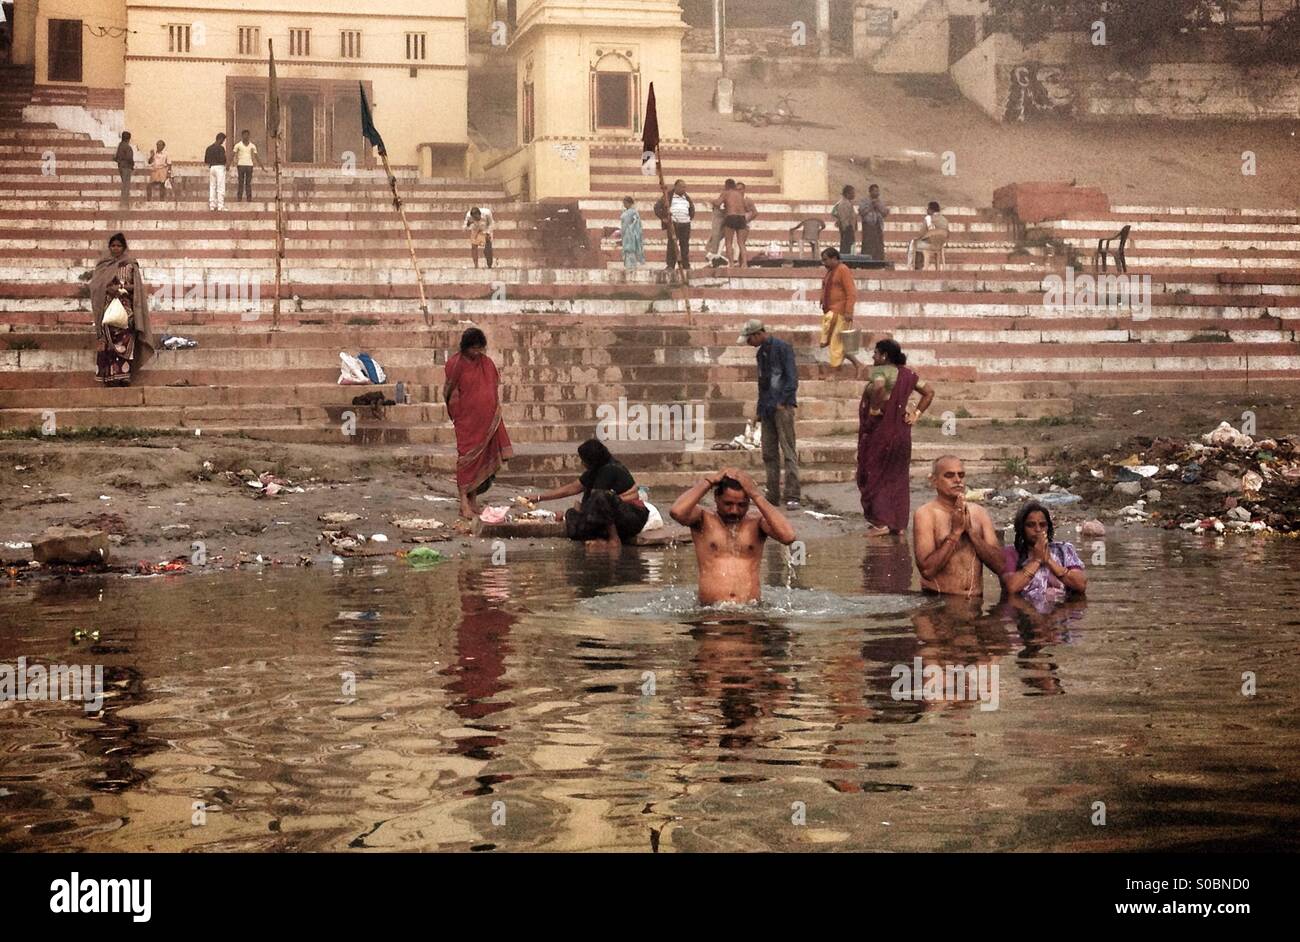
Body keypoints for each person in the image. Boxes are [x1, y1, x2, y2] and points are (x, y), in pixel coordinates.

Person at [669, 467, 797, 605]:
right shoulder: (703, 519)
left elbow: (788, 536)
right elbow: (677, 512)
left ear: (749, 502)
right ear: (716, 498)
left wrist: (756, 495)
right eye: (728, 504)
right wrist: (709, 481)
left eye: (741, 505)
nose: (734, 511)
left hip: (751, 611)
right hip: (709, 611)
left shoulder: (757, 523)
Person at [857, 339, 934, 536]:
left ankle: (880, 523)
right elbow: (929, 392)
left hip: (881, 434)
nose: (873, 356)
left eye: (876, 353)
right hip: (901, 434)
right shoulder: (908, 374)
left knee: (875, 476)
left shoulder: (881, 372)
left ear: (884, 356)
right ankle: (898, 525)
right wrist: (916, 414)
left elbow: (879, 387)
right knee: (898, 478)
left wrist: (874, 409)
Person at [522, 439, 650, 547]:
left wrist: (581, 509)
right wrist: (539, 498)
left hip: (632, 517)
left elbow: (597, 500)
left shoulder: (610, 469)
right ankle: (601, 537)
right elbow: (572, 488)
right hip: (612, 515)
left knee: (598, 498)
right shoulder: (596, 470)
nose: (582, 463)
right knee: (571, 516)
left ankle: (613, 539)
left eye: (583, 460)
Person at [443, 327, 513, 519]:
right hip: (466, 422)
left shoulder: (487, 363)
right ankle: (463, 503)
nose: (476, 352)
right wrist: (458, 415)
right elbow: (450, 393)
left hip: (487, 421)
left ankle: (473, 499)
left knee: (481, 460)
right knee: (466, 460)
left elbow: (492, 387)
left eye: (479, 348)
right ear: (465, 347)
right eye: (473, 348)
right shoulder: (455, 364)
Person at [913, 456, 1006, 598]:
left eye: (961, 475)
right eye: (949, 475)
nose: (957, 480)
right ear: (934, 481)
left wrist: (971, 532)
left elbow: (1001, 566)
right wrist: (955, 533)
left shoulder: (979, 513)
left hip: (975, 601)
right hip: (939, 601)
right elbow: (927, 571)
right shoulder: (926, 514)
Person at [739, 319, 800, 509]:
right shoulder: (761, 354)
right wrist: (759, 411)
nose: (749, 343)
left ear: (758, 334)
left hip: (782, 407)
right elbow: (762, 384)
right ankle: (772, 494)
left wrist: (783, 401)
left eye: (750, 339)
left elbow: (791, 378)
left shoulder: (783, 348)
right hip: (767, 408)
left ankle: (792, 495)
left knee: (788, 451)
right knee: (769, 453)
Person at [89, 233, 156, 387]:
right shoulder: (103, 265)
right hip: (108, 309)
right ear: (109, 247)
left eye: (119, 246)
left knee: (125, 340)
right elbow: (96, 286)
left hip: (126, 309)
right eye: (113, 246)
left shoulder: (131, 265)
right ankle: (109, 377)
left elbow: (137, 287)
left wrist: (121, 288)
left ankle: (124, 376)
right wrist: (108, 289)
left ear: (124, 247)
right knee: (108, 342)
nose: (116, 248)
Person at [1001, 500, 1088, 600]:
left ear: (1048, 527)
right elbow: (1012, 588)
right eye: (1031, 525)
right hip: (1025, 608)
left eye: (1042, 525)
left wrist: (1049, 561)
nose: (1038, 529)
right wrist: (1037, 560)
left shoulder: (1064, 550)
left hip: (1062, 608)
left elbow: (1081, 585)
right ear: (1021, 528)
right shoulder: (1011, 553)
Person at [819, 247, 863, 371]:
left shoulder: (843, 270)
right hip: (831, 312)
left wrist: (848, 311)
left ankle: (834, 372)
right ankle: (858, 365)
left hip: (840, 312)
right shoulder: (830, 272)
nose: (824, 263)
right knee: (836, 343)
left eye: (826, 260)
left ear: (834, 258)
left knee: (836, 343)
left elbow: (851, 292)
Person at [658, 179, 694, 273]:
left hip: (685, 224)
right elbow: (657, 207)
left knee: (685, 245)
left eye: (685, 187)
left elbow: (692, 209)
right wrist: (663, 218)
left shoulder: (686, 197)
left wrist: (688, 218)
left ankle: (685, 265)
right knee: (672, 244)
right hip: (673, 223)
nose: (684, 189)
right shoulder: (668, 196)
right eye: (682, 187)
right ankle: (670, 265)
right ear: (676, 187)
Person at [908, 200, 950, 269]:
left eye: (928, 208)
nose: (927, 210)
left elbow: (921, 233)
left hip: (929, 244)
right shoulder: (945, 220)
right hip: (940, 245)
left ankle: (911, 266)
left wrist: (917, 238)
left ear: (931, 210)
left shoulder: (928, 218)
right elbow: (947, 233)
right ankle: (920, 266)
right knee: (920, 243)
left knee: (913, 243)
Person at [717, 177, 749, 266]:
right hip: (741, 217)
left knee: (728, 242)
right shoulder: (740, 194)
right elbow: (746, 207)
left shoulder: (726, 193)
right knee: (741, 243)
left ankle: (731, 263)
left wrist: (711, 201)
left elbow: (718, 203)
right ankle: (744, 263)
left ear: (726, 186)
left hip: (731, 216)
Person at [858, 183, 889, 260]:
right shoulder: (864, 201)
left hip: (878, 226)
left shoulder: (880, 201)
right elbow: (861, 212)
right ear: (870, 192)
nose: (877, 193)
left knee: (878, 245)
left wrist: (878, 206)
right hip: (868, 226)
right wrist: (871, 206)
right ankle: (867, 260)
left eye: (878, 191)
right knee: (868, 244)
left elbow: (885, 213)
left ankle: (878, 260)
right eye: (875, 191)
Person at [232, 129, 262, 202]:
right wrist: (228, 165)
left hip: (249, 165)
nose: (246, 136)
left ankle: (249, 198)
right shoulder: (238, 145)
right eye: (244, 135)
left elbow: (256, 156)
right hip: (241, 165)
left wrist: (262, 167)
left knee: (248, 183)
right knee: (241, 182)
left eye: (247, 135)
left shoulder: (252, 145)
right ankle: (239, 198)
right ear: (242, 136)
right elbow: (233, 154)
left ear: (249, 136)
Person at [204, 132, 228, 211]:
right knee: (220, 187)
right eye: (223, 140)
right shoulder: (221, 148)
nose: (223, 142)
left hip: (212, 167)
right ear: (220, 139)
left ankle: (212, 205)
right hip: (219, 167)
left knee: (212, 186)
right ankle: (220, 205)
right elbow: (223, 159)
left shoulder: (209, 148)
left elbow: (206, 160)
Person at [619, 196, 645, 269]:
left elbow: (636, 224)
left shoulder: (633, 212)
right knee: (626, 250)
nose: (624, 205)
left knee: (630, 250)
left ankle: (631, 266)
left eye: (625, 203)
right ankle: (628, 266)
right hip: (625, 234)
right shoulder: (626, 212)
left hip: (631, 234)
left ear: (629, 203)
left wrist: (631, 231)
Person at [832, 184, 857, 256]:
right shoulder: (844, 204)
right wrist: (848, 228)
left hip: (848, 228)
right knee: (846, 248)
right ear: (847, 194)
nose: (854, 195)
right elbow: (844, 218)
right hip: (847, 228)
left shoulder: (847, 203)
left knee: (848, 247)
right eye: (852, 193)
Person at [114, 132, 135, 208]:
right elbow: (130, 158)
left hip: (120, 166)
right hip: (126, 167)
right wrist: (132, 165)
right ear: (128, 139)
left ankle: (123, 202)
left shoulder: (120, 146)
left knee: (124, 184)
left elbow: (116, 157)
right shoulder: (127, 147)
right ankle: (124, 203)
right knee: (126, 185)